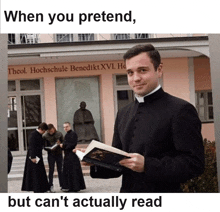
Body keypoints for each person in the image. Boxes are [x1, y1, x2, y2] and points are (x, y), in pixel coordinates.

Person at [87, 44, 205, 192]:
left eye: (142, 70)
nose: (136, 78)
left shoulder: (180, 109)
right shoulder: (123, 113)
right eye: (130, 73)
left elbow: (194, 164)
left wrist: (147, 165)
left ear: (159, 70)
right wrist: (95, 161)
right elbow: (119, 164)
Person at [21, 122, 50, 193]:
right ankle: (36, 188)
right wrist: (33, 157)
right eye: (44, 131)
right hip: (33, 156)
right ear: (41, 129)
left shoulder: (39, 135)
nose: (44, 132)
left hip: (38, 155)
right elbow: (31, 146)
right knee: (35, 173)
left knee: (39, 172)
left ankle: (41, 187)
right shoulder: (33, 135)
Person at [60, 122, 86, 192]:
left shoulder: (73, 134)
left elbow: (72, 144)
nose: (65, 128)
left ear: (70, 126)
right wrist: (62, 146)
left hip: (72, 155)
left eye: (67, 126)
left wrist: (63, 146)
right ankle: (69, 186)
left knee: (73, 171)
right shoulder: (66, 135)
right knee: (68, 170)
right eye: (64, 127)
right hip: (67, 155)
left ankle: (75, 187)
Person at [43, 124, 64, 192]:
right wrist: (49, 148)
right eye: (48, 131)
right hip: (51, 154)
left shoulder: (59, 134)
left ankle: (62, 185)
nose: (50, 132)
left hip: (59, 154)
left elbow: (63, 143)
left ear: (54, 128)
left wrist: (60, 145)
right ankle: (50, 185)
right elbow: (44, 146)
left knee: (60, 169)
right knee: (51, 170)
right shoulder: (45, 136)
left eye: (51, 130)